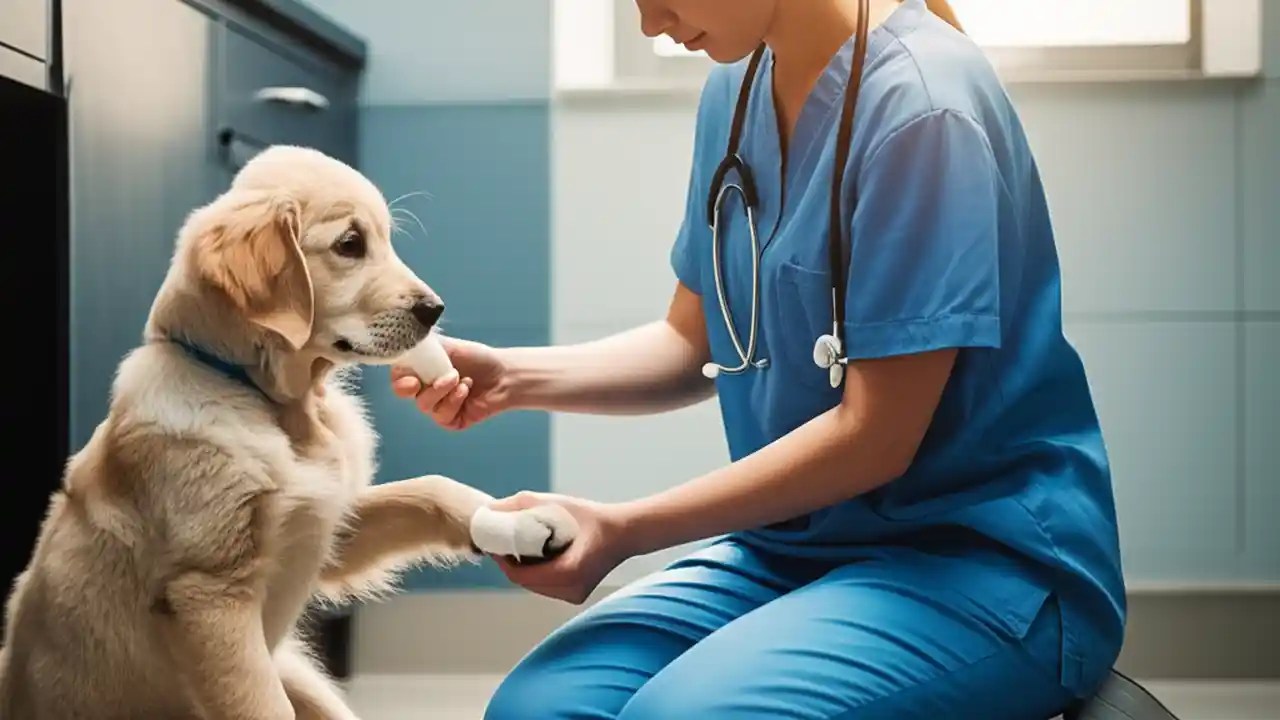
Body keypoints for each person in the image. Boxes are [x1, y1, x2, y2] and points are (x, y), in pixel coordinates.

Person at [391, 0, 1126, 717]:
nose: (649, 22)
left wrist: (624, 528)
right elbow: (693, 339)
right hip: (796, 548)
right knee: (537, 706)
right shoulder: (735, 90)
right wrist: (509, 377)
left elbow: (875, 438)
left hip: (980, 566)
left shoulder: (925, 109)